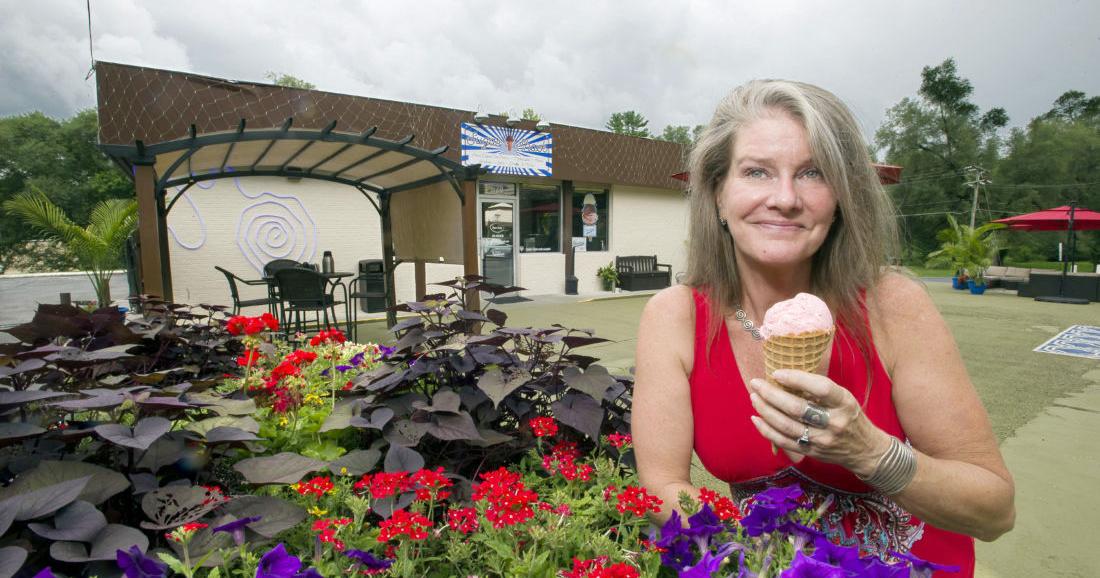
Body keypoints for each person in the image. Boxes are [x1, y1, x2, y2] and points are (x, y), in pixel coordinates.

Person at [632, 80, 1014, 577]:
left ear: (840, 200)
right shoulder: (674, 317)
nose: (785, 198)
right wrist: (758, 564)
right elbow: (661, 486)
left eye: (813, 173)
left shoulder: (893, 306)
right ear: (718, 195)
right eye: (756, 172)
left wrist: (869, 451)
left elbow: (994, 511)